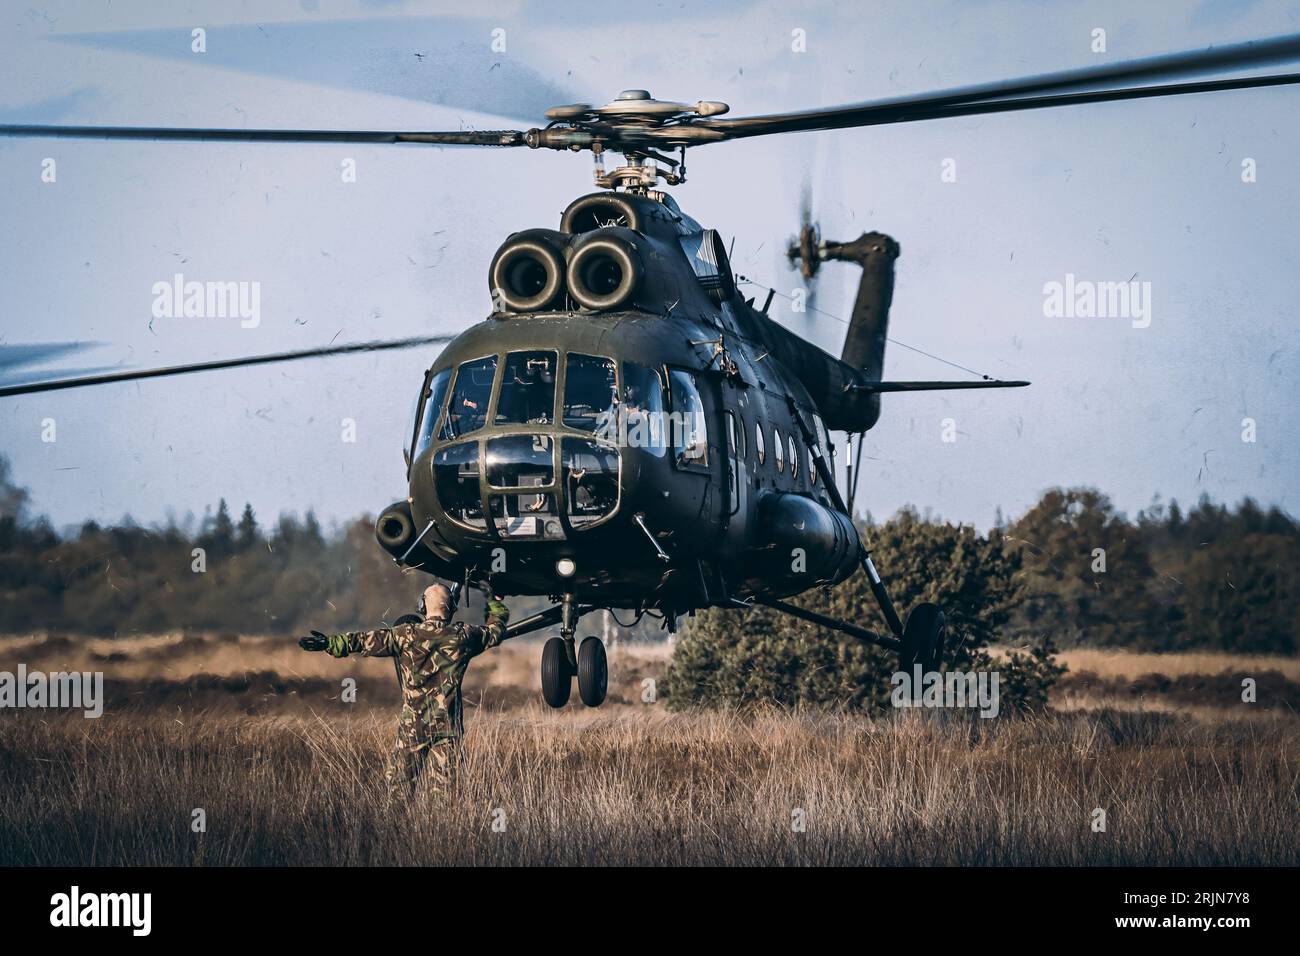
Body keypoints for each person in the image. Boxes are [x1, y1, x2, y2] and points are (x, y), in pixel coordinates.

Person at [298, 584, 510, 801]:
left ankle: (397, 834)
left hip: (413, 728)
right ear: (452, 607)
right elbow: (496, 630)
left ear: (422, 606)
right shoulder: (463, 636)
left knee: (398, 794)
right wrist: (494, 601)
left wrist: (330, 644)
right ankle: (442, 835)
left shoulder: (406, 635)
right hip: (448, 729)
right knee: (446, 800)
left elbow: (362, 641)